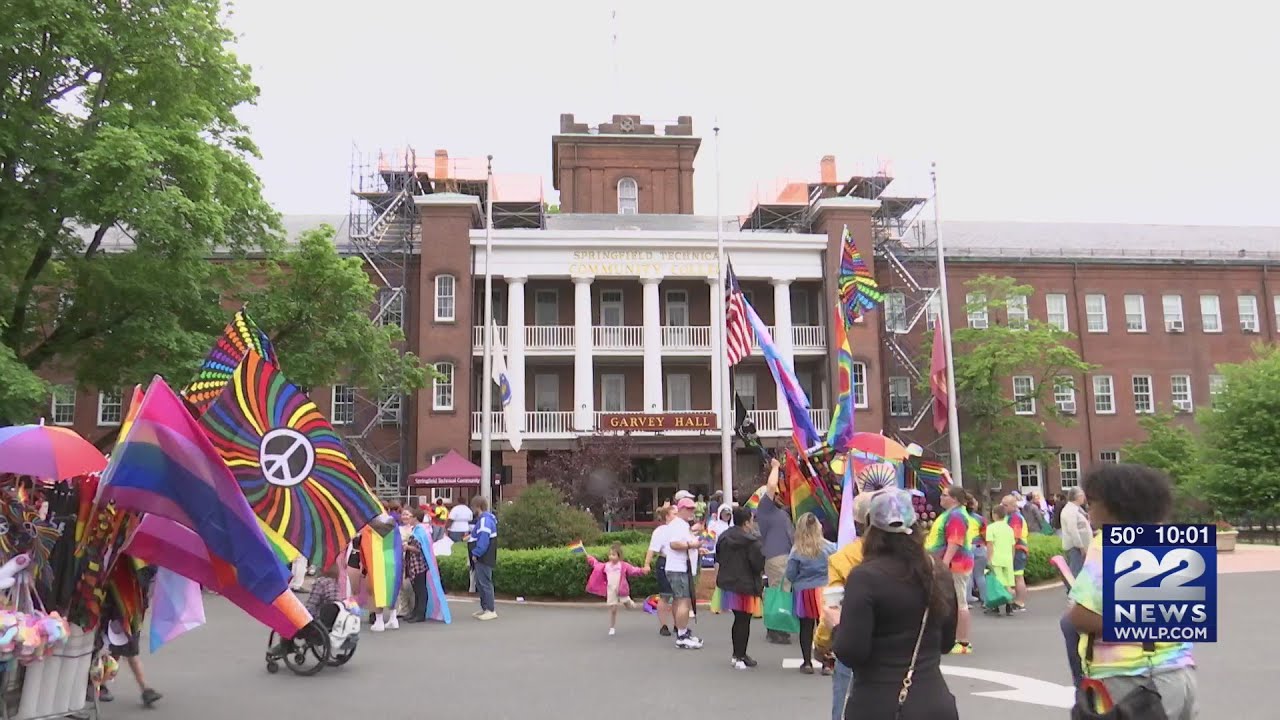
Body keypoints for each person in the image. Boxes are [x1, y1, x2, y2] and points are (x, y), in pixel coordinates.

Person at [1065, 464, 1198, 718]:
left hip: (1131, 679)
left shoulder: (1106, 544)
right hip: (1180, 672)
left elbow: (1081, 616)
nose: (1088, 508)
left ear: (1116, 505)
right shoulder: (1176, 541)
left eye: (1093, 501)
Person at [829, 490, 959, 720]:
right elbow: (946, 643)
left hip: (879, 703)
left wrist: (837, 625)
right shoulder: (937, 571)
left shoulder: (864, 577)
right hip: (934, 702)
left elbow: (851, 652)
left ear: (871, 530)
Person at [97, 563, 162, 707]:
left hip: (132, 607)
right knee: (122, 647)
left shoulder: (143, 559)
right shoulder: (119, 554)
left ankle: (99, 683)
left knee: (121, 649)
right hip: (115, 605)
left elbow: (146, 576)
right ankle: (144, 688)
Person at [786, 512, 838, 674]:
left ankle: (807, 662)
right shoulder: (830, 547)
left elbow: (790, 574)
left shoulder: (797, 550)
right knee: (826, 627)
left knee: (806, 628)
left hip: (804, 592)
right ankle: (827, 663)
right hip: (825, 590)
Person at [715, 506, 765, 669]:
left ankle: (737, 654)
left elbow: (718, 557)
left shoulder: (723, 537)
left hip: (728, 582)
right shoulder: (752, 542)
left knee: (738, 619)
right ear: (747, 522)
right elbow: (757, 565)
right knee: (744, 620)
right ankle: (740, 655)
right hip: (746, 584)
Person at [925, 486, 973, 654]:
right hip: (951, 564)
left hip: (956, 565)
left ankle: (963, 642)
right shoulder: (951, 514)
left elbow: (955, 541)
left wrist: (943, 565)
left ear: (955, 499)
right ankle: (954, 639)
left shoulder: (956, 516)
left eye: (945, 495)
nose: (941, 497)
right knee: (953, 602)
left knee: (960, 602)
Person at [756, 456, 795, 645]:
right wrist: (775, 467)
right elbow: (771, 486)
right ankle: (775, 628)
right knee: (779, 592)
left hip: (786, 556)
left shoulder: (781, 513)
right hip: (777, 557)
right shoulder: (765, 509)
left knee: (783, 592)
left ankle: (779, 625)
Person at [664, 497, 705, 649]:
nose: (691, 511)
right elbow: (674, 544)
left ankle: (683, 632)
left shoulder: (682, 525)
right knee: (683, 601)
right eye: (688, 508)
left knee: (681, 601)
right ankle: (682, 636)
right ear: (680, 509)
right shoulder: (678, 525)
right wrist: (692, 545)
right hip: (678, 568)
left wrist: (696, 548)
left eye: (693, 508)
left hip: (681, 568)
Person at [585, 542, 647, 635]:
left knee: (628, 605)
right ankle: (612, 627)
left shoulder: (623, 565)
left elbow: (633, 570)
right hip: (611, 590)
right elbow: (596, 565)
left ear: (619, 556)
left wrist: (642, 570)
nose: (611, 557)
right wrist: (591, 559)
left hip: (621, 589)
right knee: (613, 609)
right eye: (610, 554)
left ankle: (629, 602)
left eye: (613, 555)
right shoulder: (606, 566)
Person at [643, 505, 676, 636]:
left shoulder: (681, 529)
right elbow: (652, 549)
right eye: (674, 514)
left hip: (679, 563)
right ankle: (664, 626)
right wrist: (647, 564)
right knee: (665, 596)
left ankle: (678, 625)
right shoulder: (660, 531)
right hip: (665, 562)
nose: (677, 516)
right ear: (667, 516)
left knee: (679, 596)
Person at [468, 496, 499, 621]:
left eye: (473, 507)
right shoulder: (486, 519)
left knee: (485, 583)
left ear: (477, 507)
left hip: (483, 557)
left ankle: (490, 609)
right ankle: (485, 608)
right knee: (481, 583)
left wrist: (476, 553)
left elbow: (483, 540)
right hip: (484, 556)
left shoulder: (484, 521)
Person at [984, 505, 1016, 616]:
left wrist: (989, 559)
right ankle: (1009, 607)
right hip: (1008, 558)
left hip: (996, 558)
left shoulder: (991, 528)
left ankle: (995, 606)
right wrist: (1012, 557)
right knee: (1008, 583)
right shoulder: (1009, 529)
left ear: (995, 515)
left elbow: (990, 544)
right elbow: (1013, 545)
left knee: (996, 583)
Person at [1000, 494, 1029, 611]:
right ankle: (1017, 601)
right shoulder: (1010, 516)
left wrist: (1008, 552)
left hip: (1017, 550)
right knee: (1016, 577)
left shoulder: (1015, 518)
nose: (1002, 507)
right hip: (1016, 549)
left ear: (1013, 505)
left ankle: (1020, 602)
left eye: (1005, 505)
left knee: (1018, 577)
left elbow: (1014, 536)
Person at [404, 508, 430, 623]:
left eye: (411, 517)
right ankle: (415, 611)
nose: (409, 519)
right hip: (414, 564)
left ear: (415, 518)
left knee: (420, 589)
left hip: (419, 564)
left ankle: (421, 613)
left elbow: (419, 548)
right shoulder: (416, 529)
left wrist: (407, 547)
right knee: (416, 589)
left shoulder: (419, 531)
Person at [1059, 487, 1092, 577]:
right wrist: (1080, 546)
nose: (1084, 498)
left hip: (1079, 547)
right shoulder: (1070, 511)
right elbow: (1073, 530)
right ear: (1078, 496)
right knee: (1076, 573)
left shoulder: (1076, 509)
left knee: (1081, 572)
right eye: (1082, 495)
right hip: (1075, 548)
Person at [964, 492, 988, 608]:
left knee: (967, 575)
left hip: (966, 547)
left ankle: (967, 598)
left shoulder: (959, 517)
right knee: (980, 575)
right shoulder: (980, 519)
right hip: (979, 547)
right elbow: (985, 535)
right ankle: (985, 599)